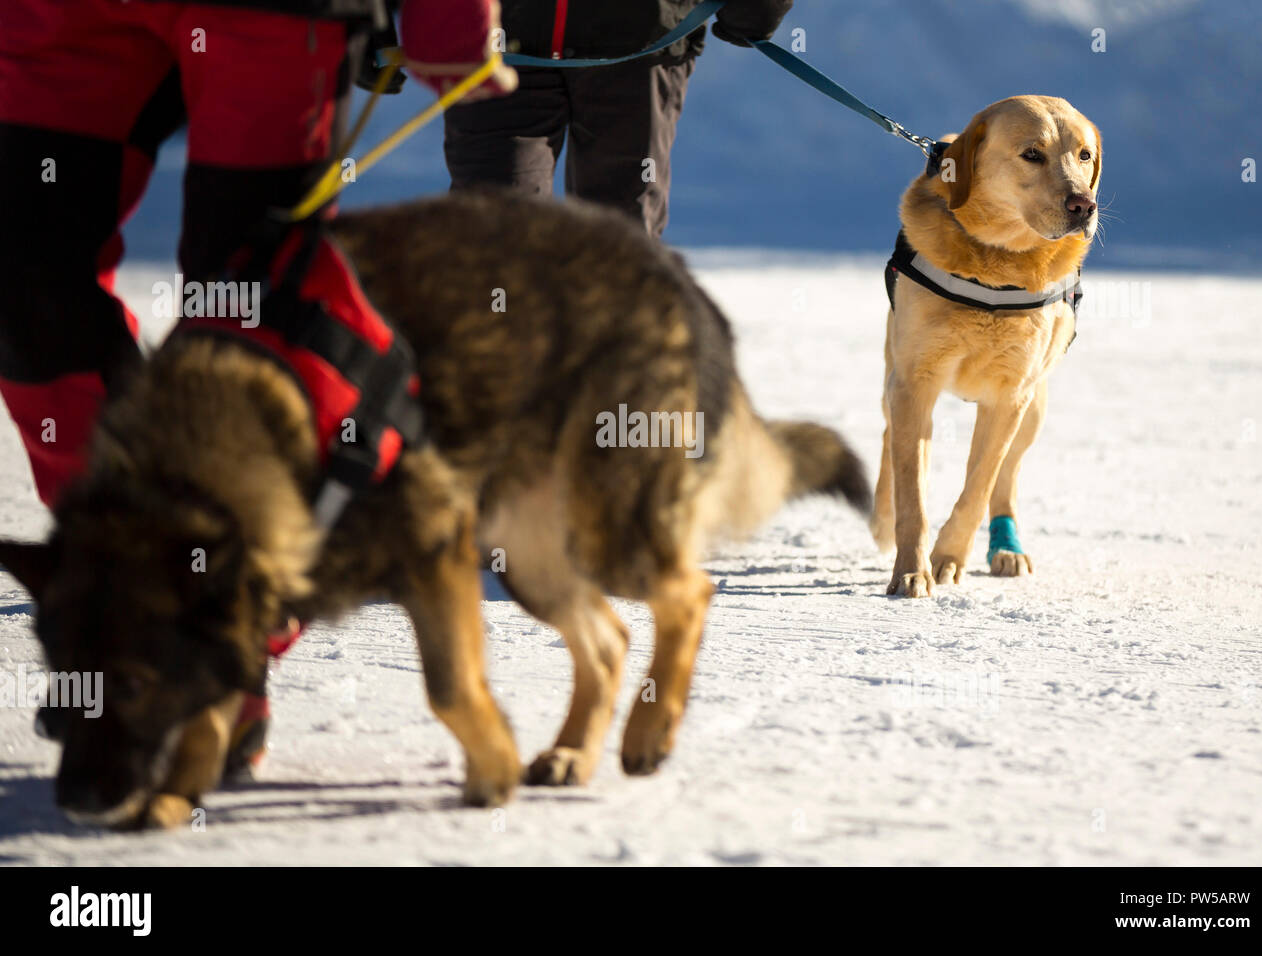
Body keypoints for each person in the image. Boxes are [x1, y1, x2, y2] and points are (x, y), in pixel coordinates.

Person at [0, 0, 516, 773]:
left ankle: (211, 632)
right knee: (20, 274)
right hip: (60, 15)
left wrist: (449, 15)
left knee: (248, 307)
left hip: (267, 14)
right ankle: (112, 607)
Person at [441, 0, 794, 238]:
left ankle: (618, 348)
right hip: (496, 37)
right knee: (492, 231)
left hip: (642, 40)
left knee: (621, 242)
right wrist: (383, 24)